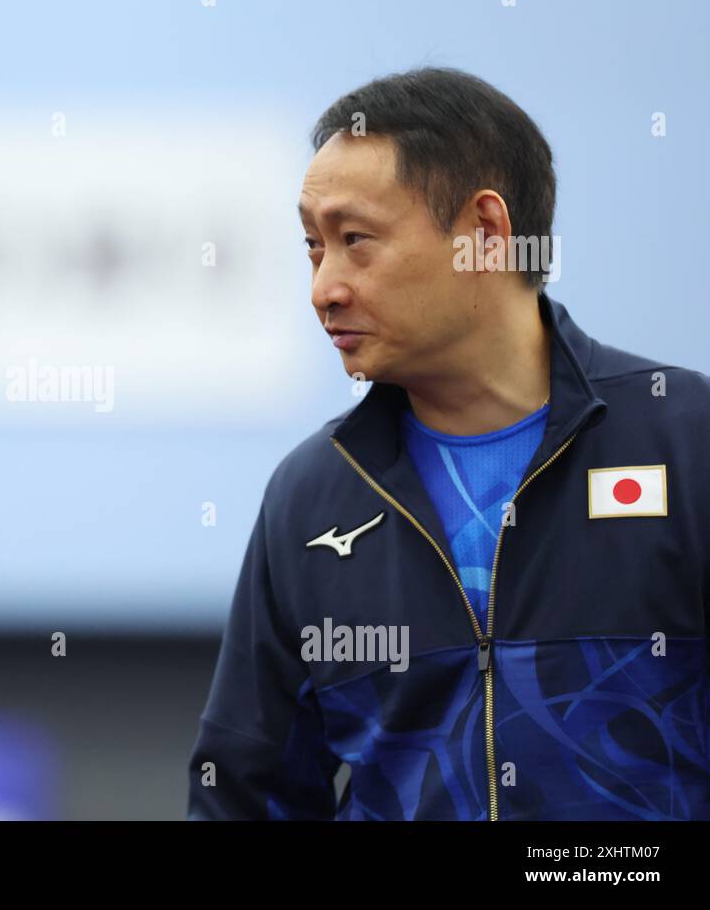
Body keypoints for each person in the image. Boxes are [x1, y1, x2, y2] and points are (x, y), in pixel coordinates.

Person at [187, 67, 710, 820]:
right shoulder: (312, 496)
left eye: (355, 240)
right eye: (313, 247)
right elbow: (243, 793)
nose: (323, 287)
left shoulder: (684, 440)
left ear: (486, 235)